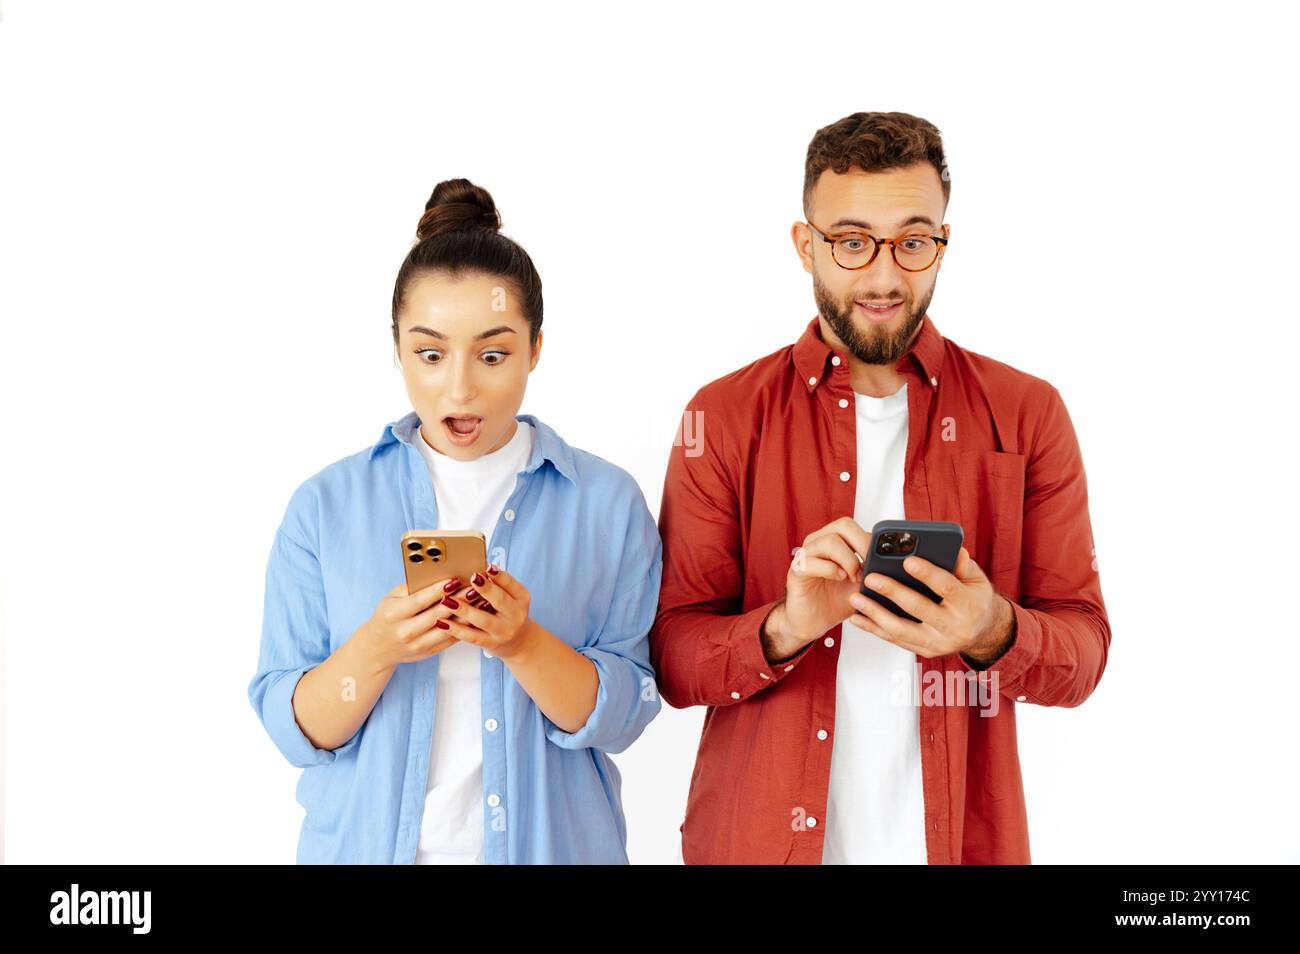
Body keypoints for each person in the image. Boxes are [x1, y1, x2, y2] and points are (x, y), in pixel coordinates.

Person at [650, 111, 1111, 864]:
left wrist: (989, 628)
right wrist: (786, 626)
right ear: (807, 246)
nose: (885, 276)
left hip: (963, 845)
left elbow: (1083, 653)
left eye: (914, 241)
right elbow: (672, 657)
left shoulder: (1028, 413)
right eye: (853, 241)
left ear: (943, 242)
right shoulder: (723, 417)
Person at [248, 178, 662, 864]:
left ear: (535, 349)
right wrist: (377, 646)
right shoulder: (324, 508)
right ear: (398, 349)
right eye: (431, 353)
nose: (460, 387)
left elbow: (626, 714)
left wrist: (523, 643)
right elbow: (296, 731)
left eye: (493, 354)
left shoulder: (607, 503)